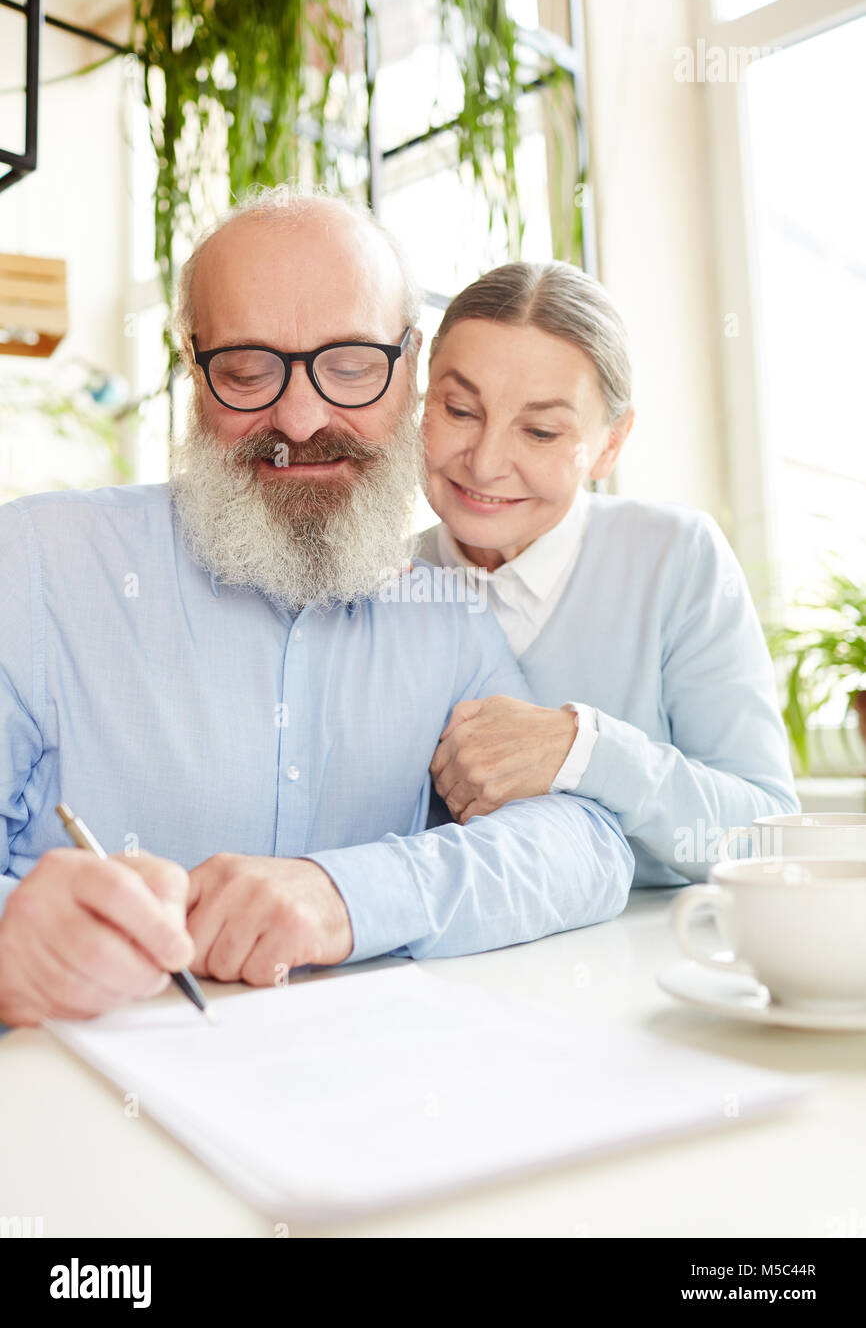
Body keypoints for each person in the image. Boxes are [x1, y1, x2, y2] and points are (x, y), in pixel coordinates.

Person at [0, 190, 632, 1027]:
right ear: (195, 374)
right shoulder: (38, 565)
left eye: (351, 365)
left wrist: (345, 895)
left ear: (411, 370)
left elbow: (583, 847)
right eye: (249, 369)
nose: (298, 418)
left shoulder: (445, 608)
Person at [417, 262, 799, 887]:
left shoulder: (675, 558)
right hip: (441, 970)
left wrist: (583, 750)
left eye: (540, 431)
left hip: (647, 961)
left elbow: (767, 834)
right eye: (459, 409)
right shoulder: (378, 582)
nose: (485, 463)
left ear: (610, 444)